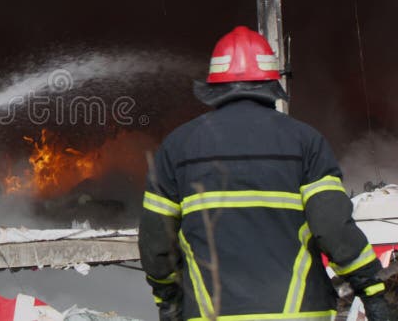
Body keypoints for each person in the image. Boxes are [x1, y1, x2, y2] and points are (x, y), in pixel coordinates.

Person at [139, 26, 393, 320]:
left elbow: (157, 242)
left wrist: (169, 299)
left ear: (214, 87)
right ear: (272, 85)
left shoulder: (177, 147)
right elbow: (333, 227)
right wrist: (372, 290)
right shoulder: (305, 142)